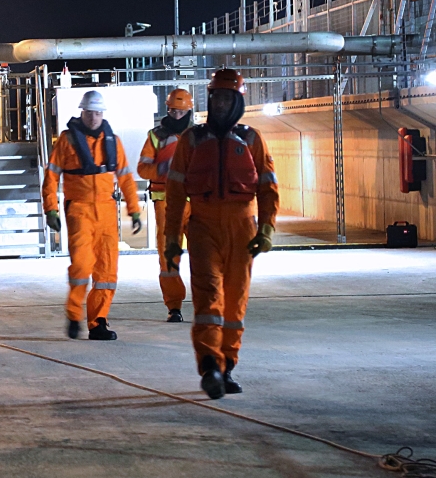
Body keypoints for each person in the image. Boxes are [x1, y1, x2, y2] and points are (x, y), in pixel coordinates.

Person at [164, 69, 279, 399]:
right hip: (201, 226)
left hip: (243, 227)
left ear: (238, 101)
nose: (221, 104)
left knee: (235, 302)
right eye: (217, 98)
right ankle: (210, 366)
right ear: (210, 100)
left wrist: (268, 227)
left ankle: (227, 366)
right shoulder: (191, 139)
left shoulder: (252, 139)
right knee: (208, 297)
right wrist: (173, 238)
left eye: (228, 98)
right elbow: (174, 193)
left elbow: (268, 187)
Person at [43, 90, 142, 341]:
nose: (94, 118)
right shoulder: (66, 141)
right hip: (79, 209)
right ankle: (74, 314)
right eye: (90, 113)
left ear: (102, 114)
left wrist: (134, 209)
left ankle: (98, 322)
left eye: (98, 113)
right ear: (82, 112)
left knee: (107, 272)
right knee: (81, 266)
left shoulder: (113, 141)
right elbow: (51, 177)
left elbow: (126, 178)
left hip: (107, 211)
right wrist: (51, 208)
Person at [137, 88, 193, 322]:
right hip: (166, 204)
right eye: (172, 111)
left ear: (189, 111)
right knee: (168, 258)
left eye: (181, 112)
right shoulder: (156, 136)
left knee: (207, 255)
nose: (176, 116)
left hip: (197, 203)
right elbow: (142, 168)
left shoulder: (200, 135)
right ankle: (174, 306)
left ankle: (209, 302)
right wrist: (161, 169)